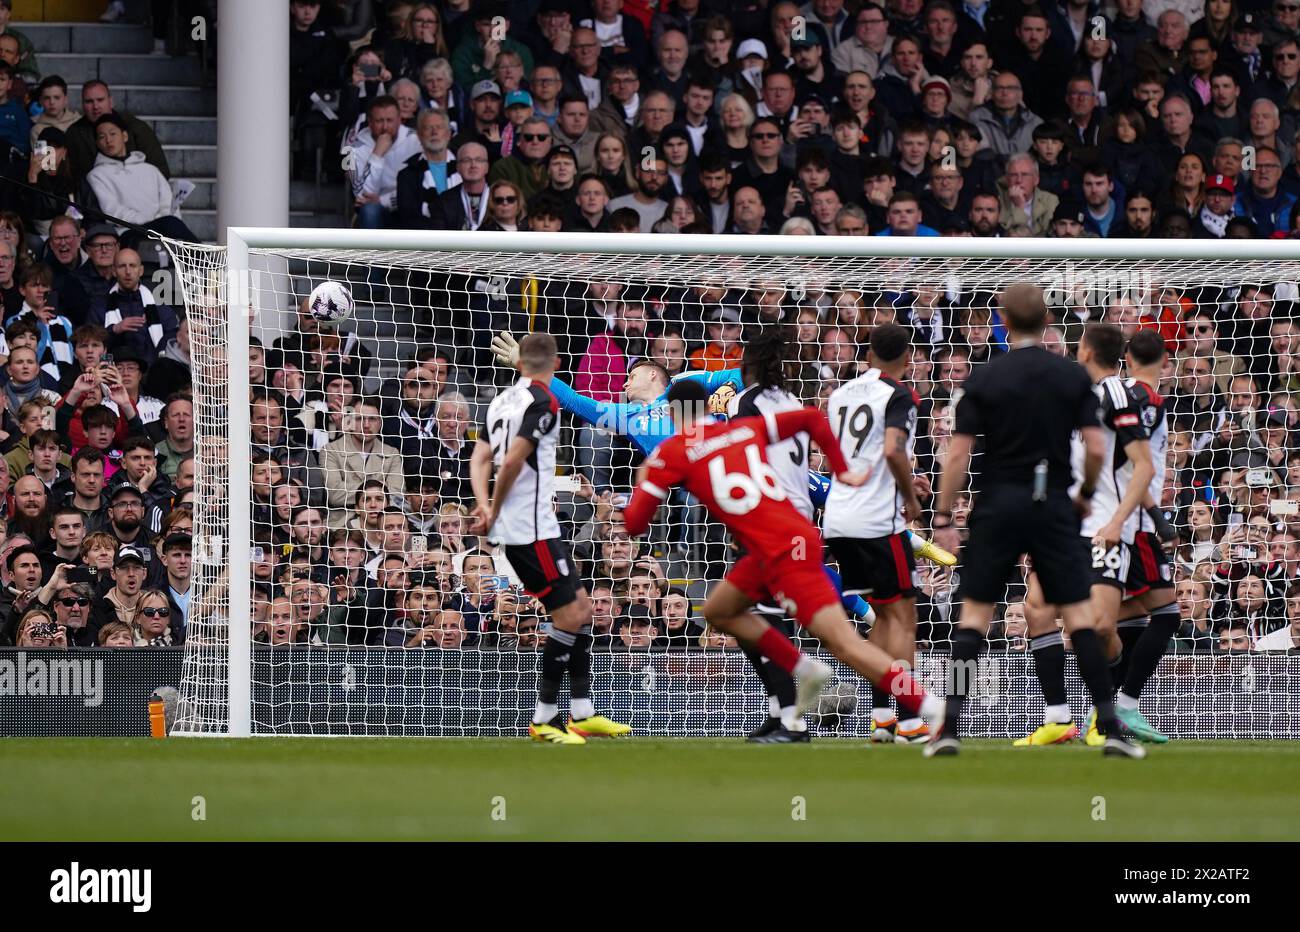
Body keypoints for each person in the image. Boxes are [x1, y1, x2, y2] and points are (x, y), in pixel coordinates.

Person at [623, 378, 945, 728]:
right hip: (777, 543)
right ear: (709, 408)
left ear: (673, 414)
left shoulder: (671, 452)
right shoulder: (744, 428)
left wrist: (646, 478)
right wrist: (842, 470)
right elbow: (811, 419)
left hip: (782, 550)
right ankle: (806, 668)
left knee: (846, 644)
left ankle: (929, 708)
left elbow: (635, 525)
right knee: (719, 610)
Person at [929, 283, 1146, 758]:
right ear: (1047, 320)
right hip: (1052, 508)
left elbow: (957, 453)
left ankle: (948, 728)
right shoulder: (1070, 377)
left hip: (997, 505)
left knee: (973, 620)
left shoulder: (984, 378)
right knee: (1079, 617)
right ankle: (1109, 729)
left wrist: (944, 515)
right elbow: (1093, 447)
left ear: (1003, 322)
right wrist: (1086, 495)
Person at [469, 332, 632, 744]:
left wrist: (483, 501)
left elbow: (480, 458)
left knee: (580, 607)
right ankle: (545, 718)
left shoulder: (500, 401)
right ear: (557, 364)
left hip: (537, 525)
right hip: (528, 527)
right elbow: (511, 461)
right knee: (570, 616)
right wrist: (493, 509)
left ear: (519, 361)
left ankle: (582, 713)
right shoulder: (543, 402)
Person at [824, 323, 928, 744]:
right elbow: (891, 448)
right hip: (877, 523)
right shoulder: (901, 394)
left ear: (867, 355)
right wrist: (910, 497)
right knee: (904, 618)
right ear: (907, 360)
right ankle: (909, 721)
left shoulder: (838, 396)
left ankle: (882, 717)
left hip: (838, 518)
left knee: (882, 617)